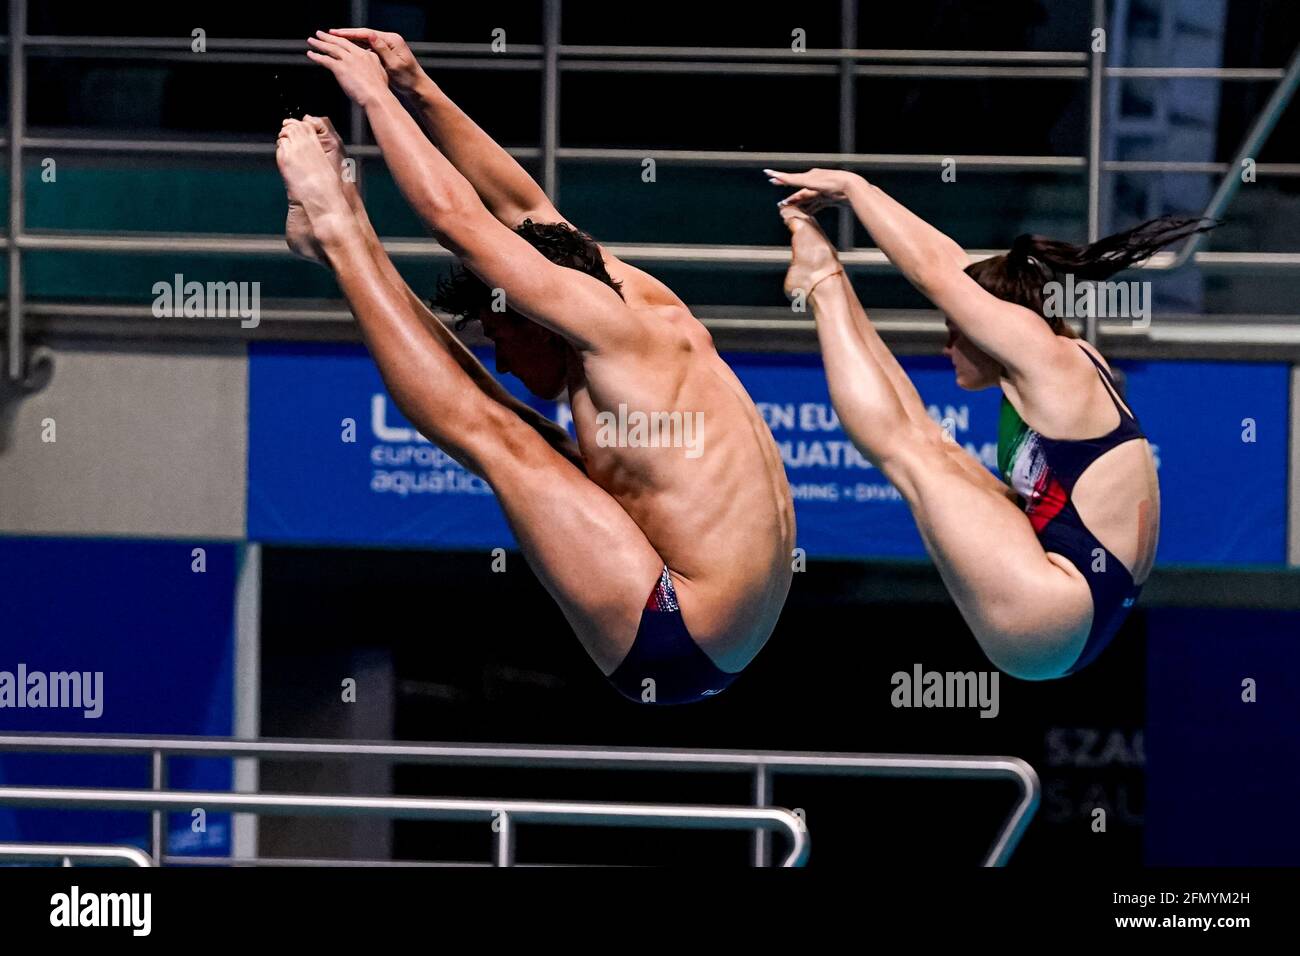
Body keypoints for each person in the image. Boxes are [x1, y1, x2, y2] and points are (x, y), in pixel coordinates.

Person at [275, 28, 794, 704]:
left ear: (541, 317)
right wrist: (418, 86)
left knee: (499, 436)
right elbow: (523, 208)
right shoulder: (633, 294)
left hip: (675, 637)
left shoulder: (607, 330)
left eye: (500, 335)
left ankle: (341, 235)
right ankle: (340, 232)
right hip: (718, 628)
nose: (505, 363)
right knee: (523, 429)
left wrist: (375, 97)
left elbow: (455, 220)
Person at [768, 166, 1211, 678]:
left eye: (957, 331)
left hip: (1053, 612)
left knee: (910, 452)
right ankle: (828, 277)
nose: (947, 346)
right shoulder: (1063, 353)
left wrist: (855, 188)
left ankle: (822, 288)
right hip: (1080, 611)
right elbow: (955, 267)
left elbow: (935, 274)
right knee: (930, 445)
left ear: (995, 327)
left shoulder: (1047, 361)